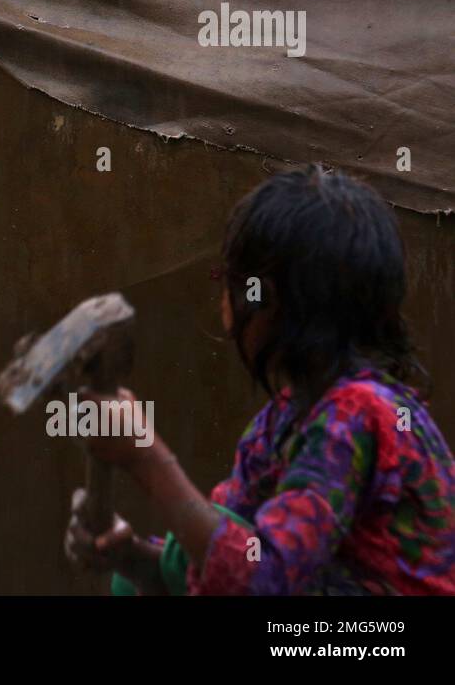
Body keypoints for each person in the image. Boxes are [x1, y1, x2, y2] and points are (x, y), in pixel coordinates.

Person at [65, 164, 455, 594]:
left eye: (232, 281)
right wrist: (131, 557)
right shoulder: (280, 423)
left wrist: (144, 455)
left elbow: (263, 581)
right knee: (148, 572)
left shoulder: (359, 415)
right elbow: (221, 559)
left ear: (265, 299)